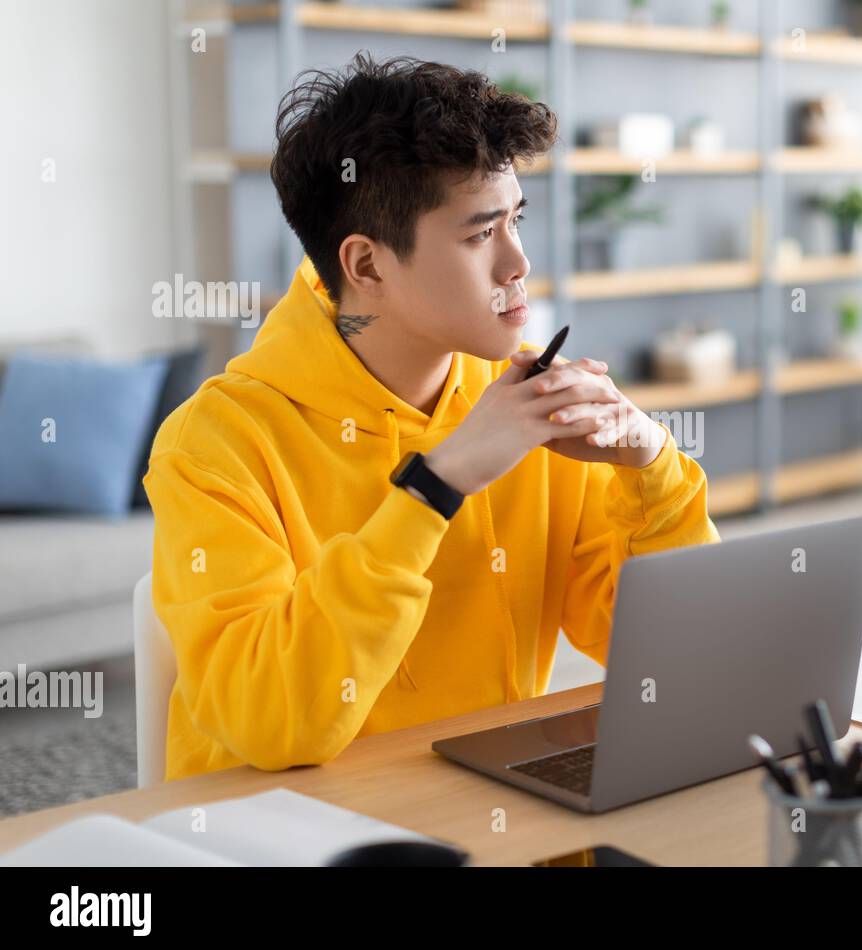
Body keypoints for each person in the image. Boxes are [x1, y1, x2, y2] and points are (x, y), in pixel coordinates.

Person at [144, 54, 720, 781]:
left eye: (516, 220)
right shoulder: (214, 444)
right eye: (480, 235)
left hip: (493, 813)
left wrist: (653, 474)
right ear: (369, 266)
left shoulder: (527, 399)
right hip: (288, 833)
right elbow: (272, 722)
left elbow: (669, 659)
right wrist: (433, 488)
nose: (519, 263)